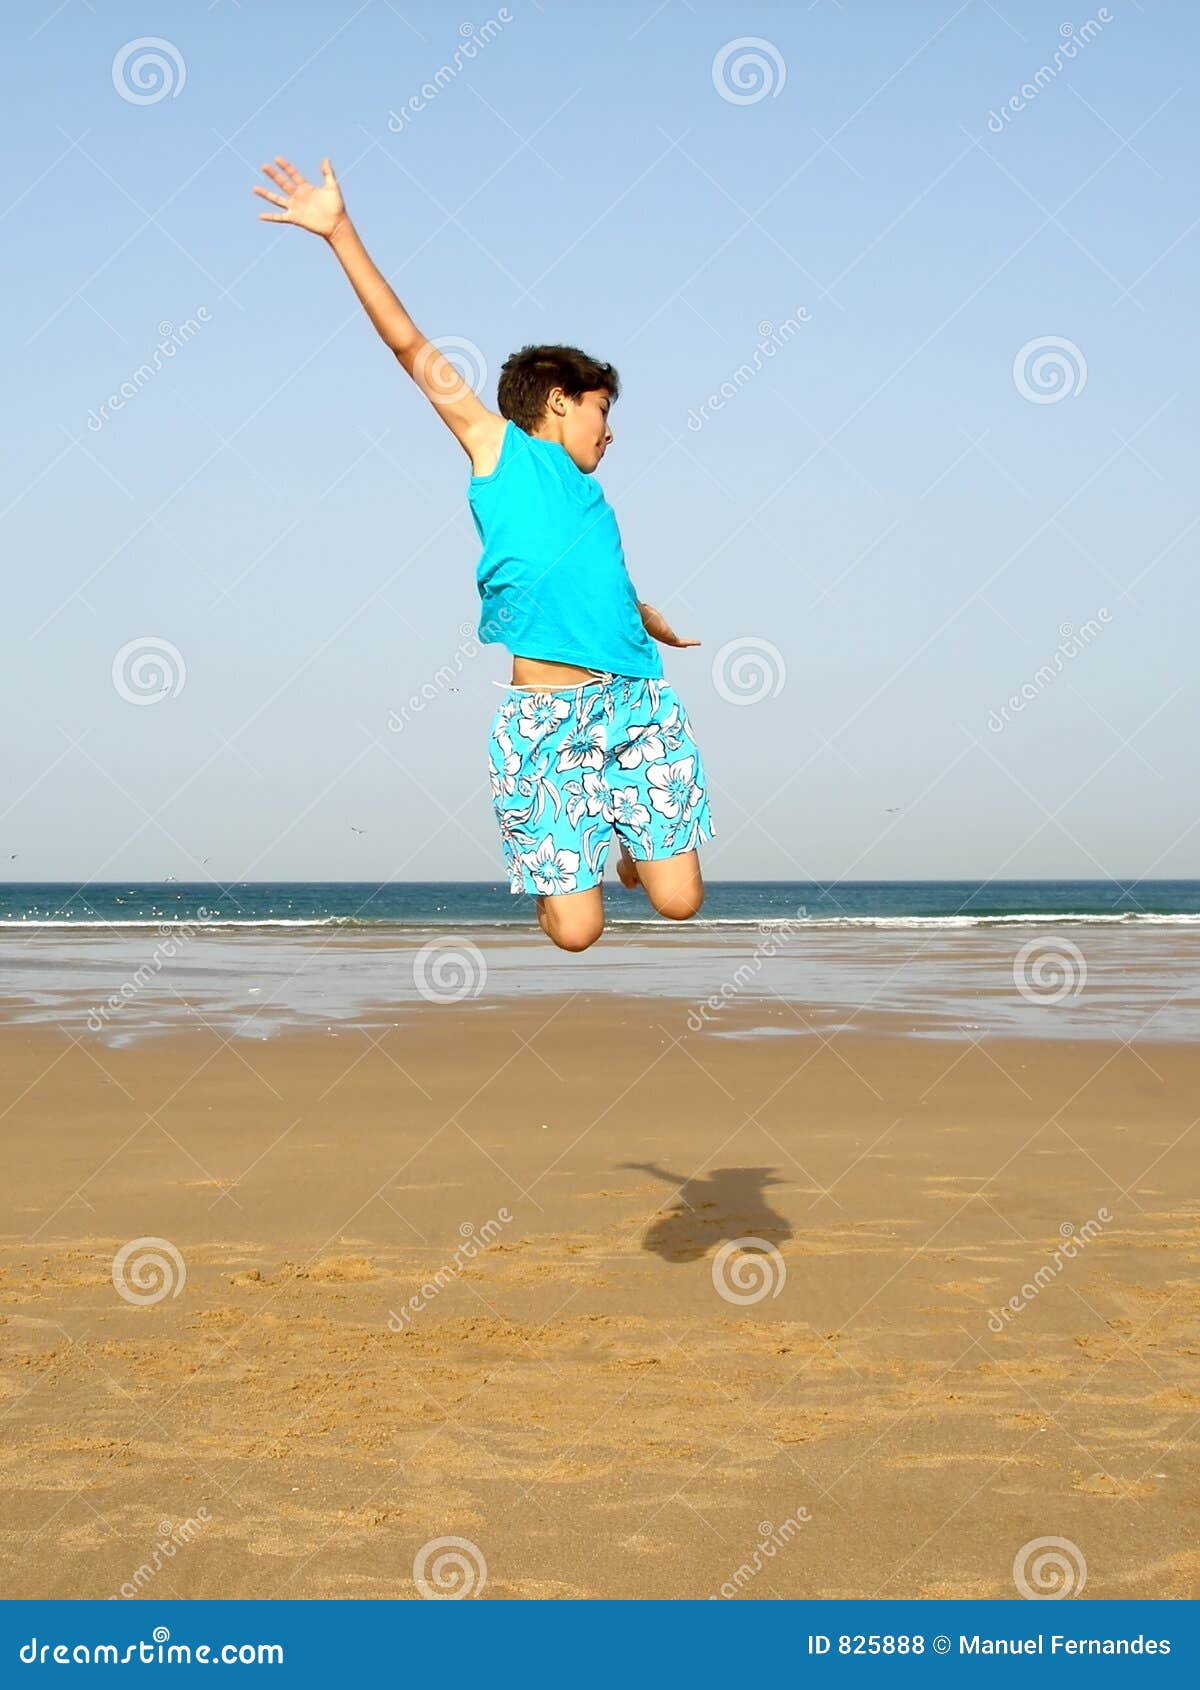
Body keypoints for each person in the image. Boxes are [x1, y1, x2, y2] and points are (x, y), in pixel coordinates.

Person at [254, 156, 715, 951]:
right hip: (546, 722)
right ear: (560, 402)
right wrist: (339, 231)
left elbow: (577, 574)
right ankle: (573, 872)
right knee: (577, 934)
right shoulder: (497, 451)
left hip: (634, 706)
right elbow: (409, 346)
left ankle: (632, 850)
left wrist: (643, 614)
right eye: (602, 409)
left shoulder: (593, 498)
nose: (611, 430)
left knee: (680, 903)